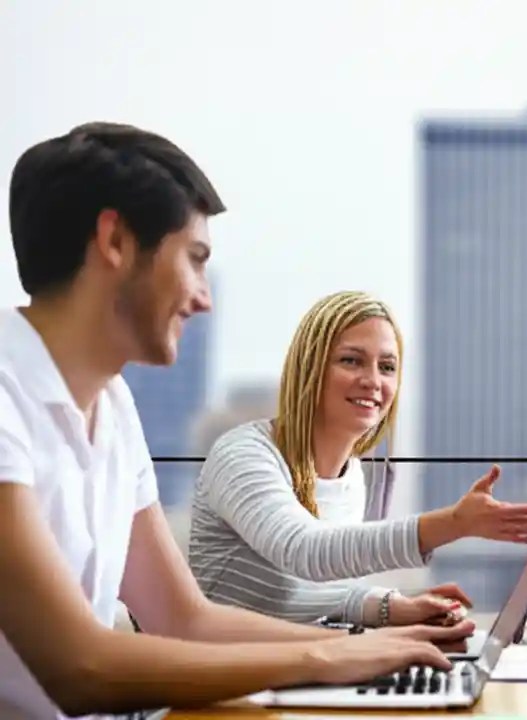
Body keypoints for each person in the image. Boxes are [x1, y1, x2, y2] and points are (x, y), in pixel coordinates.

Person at [0, 123, 470, 720]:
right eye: (194, 260)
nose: (203, 298)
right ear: (114, 241)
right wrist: (326, 660)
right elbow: (79, 669)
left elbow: (183, 620)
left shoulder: (113, 406)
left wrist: (379, 649)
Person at [188, 290, 527, 627]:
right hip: (218, 673)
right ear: (309, 368)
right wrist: (454, 522)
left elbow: (312, 596)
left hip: (287, 666)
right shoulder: (243, 455)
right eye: (351, 361)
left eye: (387, 367)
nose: (373, 381)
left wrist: (395, 604)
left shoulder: (351, 478)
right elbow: (305, 552)